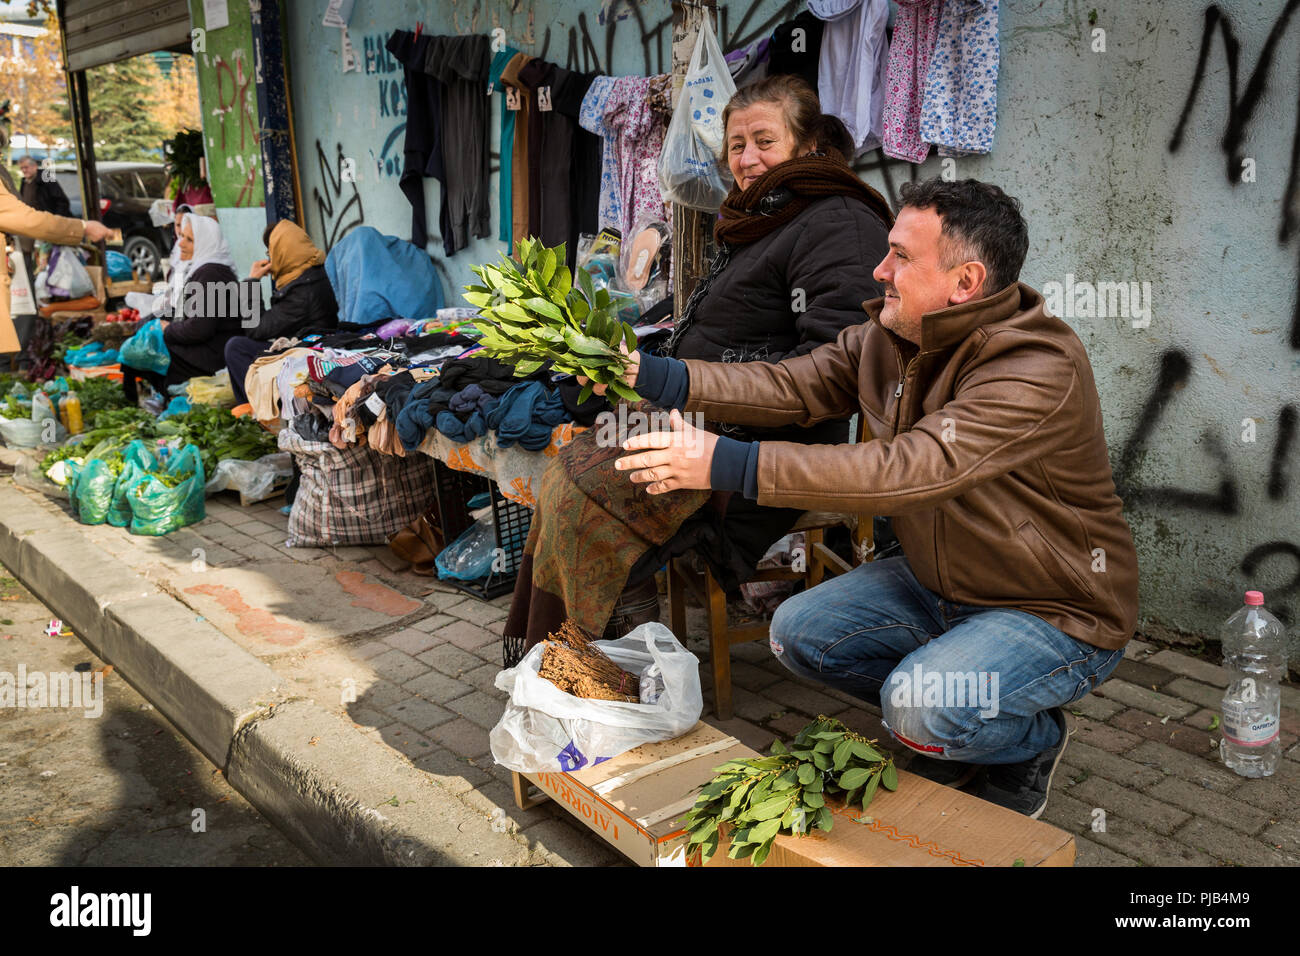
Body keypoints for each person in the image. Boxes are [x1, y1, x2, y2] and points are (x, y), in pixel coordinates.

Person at [607, 178, 1139, 819]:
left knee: (918, 706)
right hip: (937, 583)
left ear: (964, 282)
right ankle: (959, 705)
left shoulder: (1035, 365)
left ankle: (1026, 742)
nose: (880, 270)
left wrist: (722, 462)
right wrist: (655, 374)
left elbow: (910, 467)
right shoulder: (890, 338)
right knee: (796, 634)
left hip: (1052, 608)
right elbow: (790, 384)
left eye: (901, 257)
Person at [503, 73, 892, 650]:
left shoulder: (840, 222)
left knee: (598, 494)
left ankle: (609, 665)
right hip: (702, 414)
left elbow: (830, 376)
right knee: (573, 465)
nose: (748, 159)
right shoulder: (766, 216)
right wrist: (630, 371)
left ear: (808, 145)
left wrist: (676, 386)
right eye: (737, 145)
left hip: (769, 442)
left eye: (765, 140)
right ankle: (582, 654)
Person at [121, 212, 241, 405]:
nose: (181, 243)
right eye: (182, 236)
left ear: (205, 243)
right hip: (206, 345)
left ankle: (165, 399)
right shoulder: (201, 269)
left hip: (213, 353)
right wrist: (147, 323)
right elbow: (178, 310)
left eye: (190, 240)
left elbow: (199, 329)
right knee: (139, 344)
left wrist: (166, 329)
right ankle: (160, 398)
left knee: (147, 351)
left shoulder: (212, 274)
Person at [224, 219, 339, 407]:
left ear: (282, 252)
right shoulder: (312, 272)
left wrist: (252, 281)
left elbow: (256, 328)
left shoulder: (303, 290)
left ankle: (259, 414)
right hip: (311, 349)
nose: (270, 258)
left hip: (308, 357)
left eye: (271, 252)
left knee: (236, 348)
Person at [0, 167, 110, 357]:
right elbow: (27, 220)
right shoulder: (29, 182)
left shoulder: (44, 180)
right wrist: (82, 227)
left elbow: (55, 205)